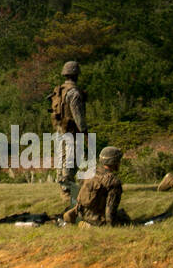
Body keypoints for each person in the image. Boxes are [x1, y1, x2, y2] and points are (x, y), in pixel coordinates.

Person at [50, 61, 87, 207]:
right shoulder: (74, 93)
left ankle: (65, 190)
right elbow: (78, 117)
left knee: (63, 160)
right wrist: (85, 133)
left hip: (60, 131)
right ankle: (68, 194)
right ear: (76, 74)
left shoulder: (60, 91)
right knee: (70, 162)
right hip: (71, 132)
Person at [63, 146, 128, 225]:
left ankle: (81, 221)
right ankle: (89, 225)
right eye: (118, 160)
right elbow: (110, 211)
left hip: (81, 214)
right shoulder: (113, 182)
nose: (119, 162)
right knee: (124, 217)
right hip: (97, 219)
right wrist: (111, 225)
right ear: (114, 161)